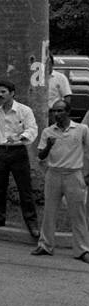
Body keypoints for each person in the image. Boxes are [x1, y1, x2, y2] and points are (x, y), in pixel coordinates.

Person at [31, 100, 89, 261]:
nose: (56, 114)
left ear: (68, 112)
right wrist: (49, 146)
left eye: (60, 111)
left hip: (74, 174)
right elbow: (40, 155)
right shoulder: (48, 132)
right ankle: (45, 245)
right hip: (54, 174)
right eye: (54, 111)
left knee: (78, 213)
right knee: (49, 211)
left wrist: (87, 174)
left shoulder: (81, 129)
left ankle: (82, 249)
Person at [0, 80, 40, 240]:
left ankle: (31, 223)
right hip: (1, 152)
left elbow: (32, 129)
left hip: (18, 152)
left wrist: (19, 138)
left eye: (3, 92)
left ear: (12, 93)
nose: (0, 95)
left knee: (25, 189)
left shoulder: (24, 110)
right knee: (0, 187)